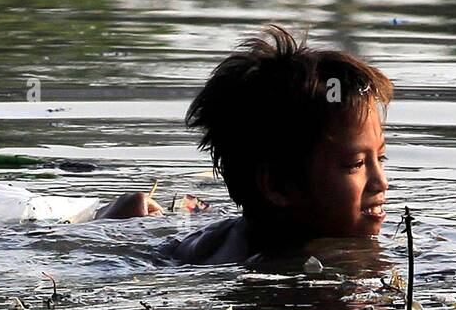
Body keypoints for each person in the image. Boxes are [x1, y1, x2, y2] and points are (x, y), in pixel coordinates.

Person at [95, 25, 393, 264]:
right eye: (355, 164)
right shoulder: (312, 264)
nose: (381, 182)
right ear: (278, 186)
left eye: (380, 159)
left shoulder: (207, 244)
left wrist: (118, 225)